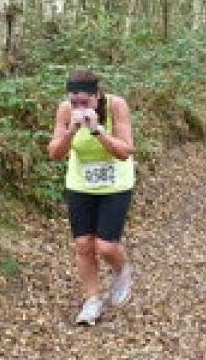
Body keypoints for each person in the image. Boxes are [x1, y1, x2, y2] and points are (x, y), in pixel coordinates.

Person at [46, 70, 136, 326]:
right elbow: (55, 153)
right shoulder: (65, 111)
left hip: (115, 183)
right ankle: (92, 301)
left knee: (105, 247)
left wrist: (97, 130)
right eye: (74, 102)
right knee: (83, 244)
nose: (79, 107)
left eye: (85, 102)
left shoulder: (116, 106)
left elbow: (125, 151)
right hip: (80, 183)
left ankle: (121, 270)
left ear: (98, 96)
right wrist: (71, 131)